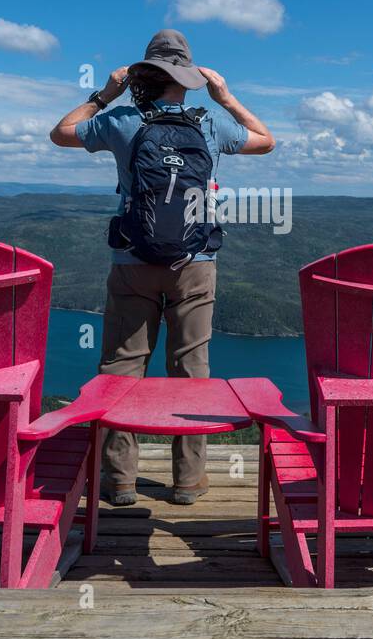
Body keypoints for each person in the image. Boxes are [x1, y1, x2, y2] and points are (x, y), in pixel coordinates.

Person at [49, 29, 275, 505]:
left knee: (121, 368)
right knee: (191, 369)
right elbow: (266, 141)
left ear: (144, 74)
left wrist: (103, 94)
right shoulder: (212, 124)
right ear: (189, 80)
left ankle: (118, 481)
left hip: (132, 260)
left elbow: (61, 134)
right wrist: (228, 98)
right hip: (196, 262)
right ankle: (189, 483)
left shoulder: (122, 119)